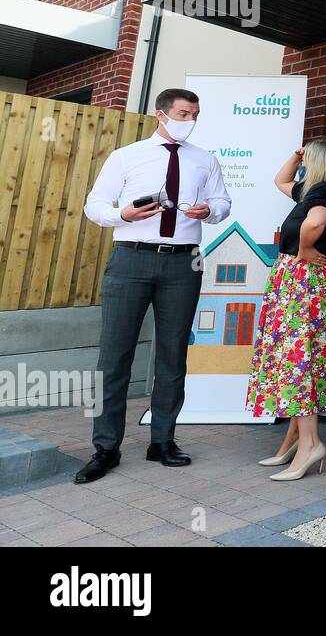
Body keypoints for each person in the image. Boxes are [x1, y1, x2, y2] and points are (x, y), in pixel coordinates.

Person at [76, 88, 231, 484]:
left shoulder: (204, 159)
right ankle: (105, 448)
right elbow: (95, 206)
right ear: (161, 114)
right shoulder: (126, 156)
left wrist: (209, 210)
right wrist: (122, 214)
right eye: (183, 112)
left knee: (173, 354)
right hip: (131, 258)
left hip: (184, 263)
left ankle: (162, 441)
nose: (190, 119)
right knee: (114, 357)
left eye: (195, 113)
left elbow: (223, 203)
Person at [246, 140, 326, 481]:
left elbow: (315, 223)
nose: (303, 164)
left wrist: (305, 248)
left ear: (319, 162)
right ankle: (293, 439)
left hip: (302, 281)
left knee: (298, 358)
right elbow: (280, 181)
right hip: (297, 280)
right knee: (296, 356)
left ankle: (310, 445)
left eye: (308, 158)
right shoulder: (313, 191)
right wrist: (295, 155)